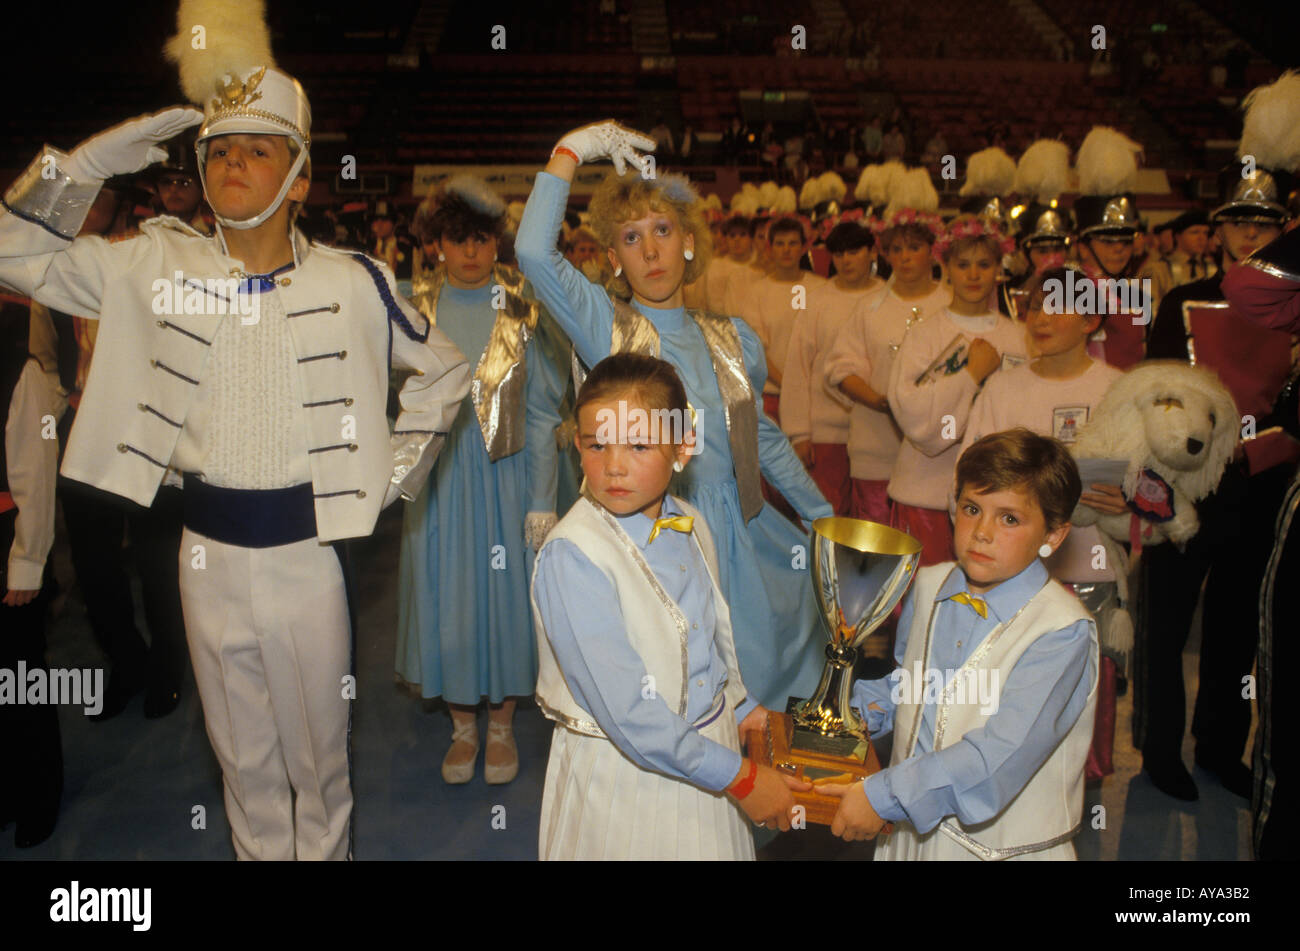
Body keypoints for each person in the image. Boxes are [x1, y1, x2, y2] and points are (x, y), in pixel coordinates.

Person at [0, 8, 470, 859]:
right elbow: (10, 251)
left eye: (257, 149)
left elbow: (446, 371)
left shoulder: (354, 280)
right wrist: (87, 163)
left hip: (307, 560)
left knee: (319, 764)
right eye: (219, 149)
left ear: (299, 176)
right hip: (202, 556)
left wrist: (386, 477)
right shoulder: (154, 263)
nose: (232, 163)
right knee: (240, 761)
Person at [515, 121, 833, 710]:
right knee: (671, 696)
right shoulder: (604, 325)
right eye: (631, 239)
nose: (652, 250)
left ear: (688, 242)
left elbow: (759, 437)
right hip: (649, 537)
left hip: (740, 536)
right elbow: (533, 250)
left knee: (754, 698)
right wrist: (572, 151)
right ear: (613, 258)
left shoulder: (732, 337)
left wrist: (822, 517)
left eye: (662, 230)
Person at [531, 352, 810, 859]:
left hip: (711, 754)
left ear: (683, 446)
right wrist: (743, 779)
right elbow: (630, 716)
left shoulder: (691, 520)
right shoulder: (574, 557)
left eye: (639, 445)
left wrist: (742, 706)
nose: (614, 465)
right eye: (597, 445)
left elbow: (711, 635)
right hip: (626, 775)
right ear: (577, 444)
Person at [821, 429, 1099, 860]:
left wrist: (881, 796)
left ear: (1055, 536)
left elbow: (998, 758)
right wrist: (841, 717)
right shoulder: (930, 584)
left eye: (1009, 519)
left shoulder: (1062, 632)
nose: (982, 532)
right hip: (911, 834)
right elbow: (910, 684)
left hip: (1000, 850)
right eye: (972, 509)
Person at [1138, 85, 1298, 803]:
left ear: (1283, 226)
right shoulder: (1181, 300)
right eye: (1237, 222)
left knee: (1237, 628)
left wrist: (1258, 447)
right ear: (1219, 227)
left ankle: (1220, 747)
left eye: (1263, 223)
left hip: (1263, 486)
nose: (1248, 235)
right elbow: (1162, 398)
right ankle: (1159, 749)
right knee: (1164, 627)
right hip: (1186, 481)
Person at [396, 175, 565, 785]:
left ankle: (501, 726)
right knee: (448, 597)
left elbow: (546, 410)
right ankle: (462, 727)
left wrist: (543, 501)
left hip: (508, 476)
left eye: (482, 238)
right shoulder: (412, 303)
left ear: (498, 242)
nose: (471, 251)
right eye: (457, 239)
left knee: (508, 601)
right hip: (439, 481)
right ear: (436, 244)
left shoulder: (526, 305)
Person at [960, 267, 1125, 781]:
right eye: (1034, 305)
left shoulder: (1119, 389)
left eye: (1059, 305)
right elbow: (971, 470)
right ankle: (999, 771)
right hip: (1014, 567)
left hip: (1090, 558)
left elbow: (1153, 476)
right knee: (1009, 671)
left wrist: (1133, 495)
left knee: (1086, 671)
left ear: (1091, 319)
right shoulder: (1003, 388)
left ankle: (1083, 776)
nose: (1041, 317)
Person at [887, 214, 1028, 565]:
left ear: (999, 267)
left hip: (994, 500)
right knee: (922, 602)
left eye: (984, 264)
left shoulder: (1018, 337)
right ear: (946, 267)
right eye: (963, 265)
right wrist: (970, 377)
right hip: (925, 494)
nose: (974, 274)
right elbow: (911, 414)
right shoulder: (924, 334)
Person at [826, 202, 949, 526]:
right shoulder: (869, 307)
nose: (905, 257)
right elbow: (841, 368)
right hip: (875, 448)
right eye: (896, 249)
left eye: (914, 247)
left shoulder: (950, 302)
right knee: (877, 549)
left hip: (938, 455)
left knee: (931, 549)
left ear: (932, 250)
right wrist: (880, 402)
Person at [781, 219, 880, 514]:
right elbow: (798, 365)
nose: (846, 261)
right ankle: (824, 563)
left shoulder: (886, 297)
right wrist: (799, 433)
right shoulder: (818, 300)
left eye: (854, 252)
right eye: (839, 254)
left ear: (872, 252)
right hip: (826, 433)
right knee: (828, 515)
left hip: (878, 431)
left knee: (872, 515)